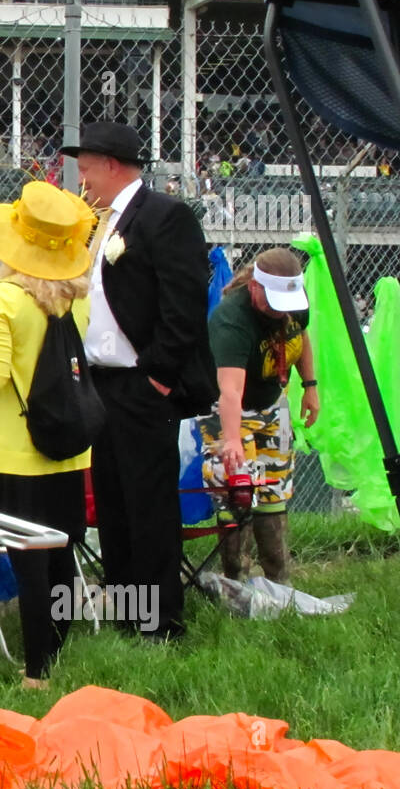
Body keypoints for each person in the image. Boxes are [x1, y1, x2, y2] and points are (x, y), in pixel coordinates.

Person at [0, 181, 97, 687]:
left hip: (15, 450)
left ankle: (36, 671)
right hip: (69, 450)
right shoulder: (78, 299)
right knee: (61, 551)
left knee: (27, 557)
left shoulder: (4, 298)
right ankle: (56, 650)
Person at [68, 121, 215, 641]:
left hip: (139, 380)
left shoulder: (164, 216)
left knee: (148, 500)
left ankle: (159, 620)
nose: (81, 179)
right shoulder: (95, 223)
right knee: (112, 500)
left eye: (86, 168)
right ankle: (126, 608)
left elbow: (185, 302)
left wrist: (158, 374)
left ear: (111, 163)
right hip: (100, 382)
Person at [199, 248, 318, 584]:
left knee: (273, 494)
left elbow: (301, 337)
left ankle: (278, 583)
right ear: (255, 287)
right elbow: (231, 390)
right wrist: (232, 439)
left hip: (271, 404)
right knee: (236, 492)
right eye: (272, 301)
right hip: (230, 409)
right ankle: (236, 581)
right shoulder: (230, 321)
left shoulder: (294, 303)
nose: (280, 311)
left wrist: (310, 386)